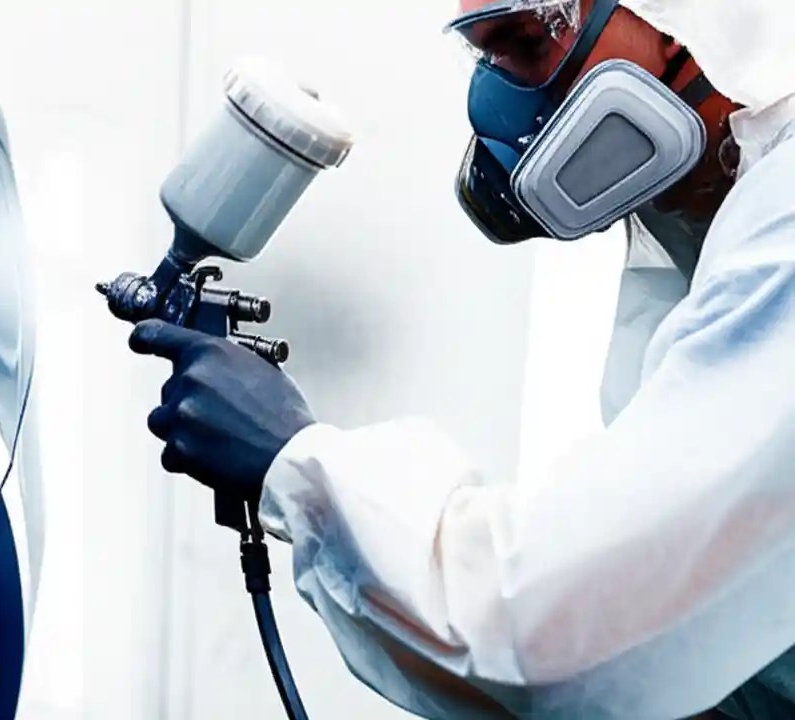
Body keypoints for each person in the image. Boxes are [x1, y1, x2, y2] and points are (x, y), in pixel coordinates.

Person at [129, 0, 795, 717]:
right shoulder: (711, 245)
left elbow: (555, 639)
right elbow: (716, 672)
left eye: (525, 40)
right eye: (484, 59)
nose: (497, 100)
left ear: (691, 22)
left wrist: (299, 464)